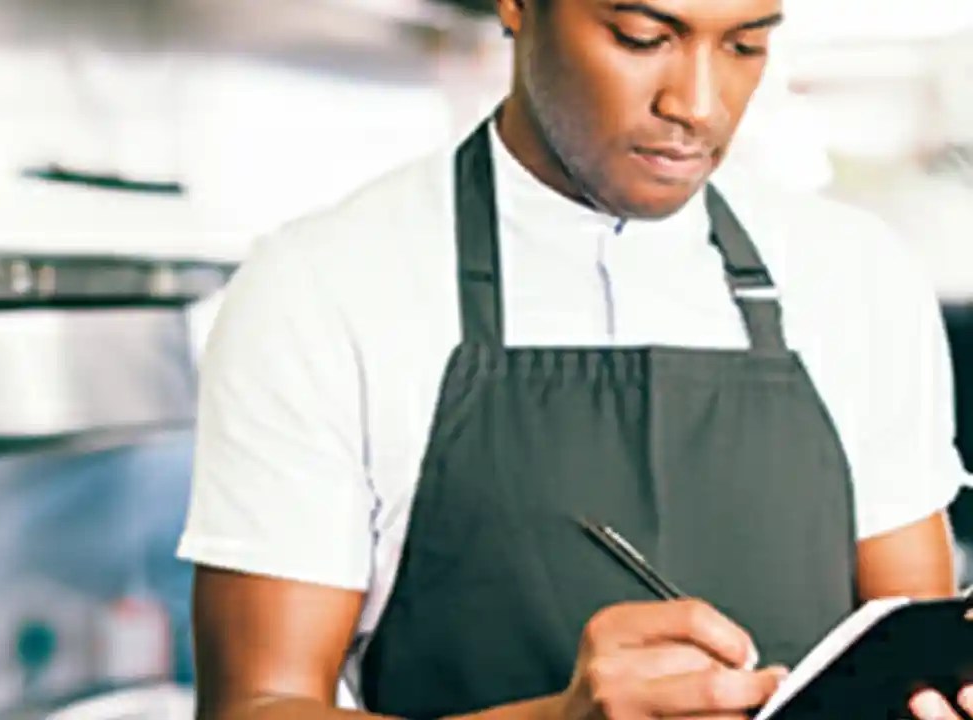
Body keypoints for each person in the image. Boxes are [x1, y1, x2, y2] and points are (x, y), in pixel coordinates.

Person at [177, 0, 973, 718]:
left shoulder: (857, 274)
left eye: (744, 46)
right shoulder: (321, 287)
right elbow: (258, 705)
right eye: (643, 38)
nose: (696, 105)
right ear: (518, 7)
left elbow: (911, 664)